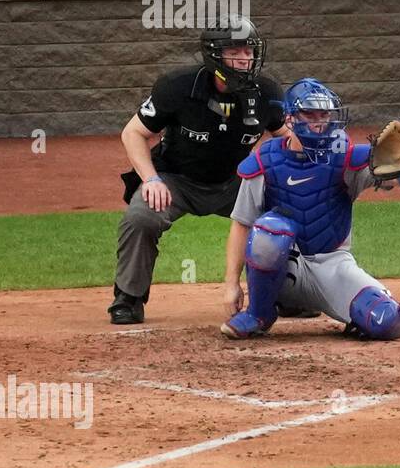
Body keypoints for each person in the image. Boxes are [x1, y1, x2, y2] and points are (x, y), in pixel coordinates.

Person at [108, 20, 284, 325]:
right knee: (141, 216)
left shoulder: (266, 92)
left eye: (249, 50)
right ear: (214, 56)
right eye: (235, 51)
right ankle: (129, 297)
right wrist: (151, 179)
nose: (245, 58)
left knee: (285, 215)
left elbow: (285, 137)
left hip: (235, 182)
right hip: (176, 180)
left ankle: (286, 294)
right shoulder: (177, 86)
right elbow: (133, 133)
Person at [220, 79, 400, 341]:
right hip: (284, 273)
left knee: (388, 321)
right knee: (271, 229)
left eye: (324, 114)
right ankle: (259, 314)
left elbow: (395, 178)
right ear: (289, 118)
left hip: (332, 266)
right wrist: (231, 283)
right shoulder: (264, 161)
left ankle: (357, 316)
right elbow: (242, 223)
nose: (318, 121)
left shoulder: (345, 156)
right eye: (309, 114)